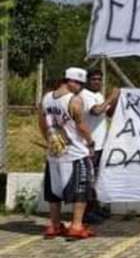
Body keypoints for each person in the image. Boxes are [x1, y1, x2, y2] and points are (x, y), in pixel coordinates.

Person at [37, 67, 96, 239]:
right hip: (75, 151)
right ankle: (76, 226)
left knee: (53, 190)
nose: (81, 88)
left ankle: (54, 224)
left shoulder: (47, 98)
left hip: (55, 152)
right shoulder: (74, 100)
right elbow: (81, 125)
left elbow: (41, 122)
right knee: (82, 188)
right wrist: (90, 142)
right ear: (71, 81)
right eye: (80, 84)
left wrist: (49, 139)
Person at [81, 69, 119, 223]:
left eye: (99, 79)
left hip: (100, 144)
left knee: (96, 179)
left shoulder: (98, 95)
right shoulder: (84, 95)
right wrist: (111, 97)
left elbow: (108, 113)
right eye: (94, 79)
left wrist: (116, 100)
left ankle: (95, 208)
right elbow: (96, 111)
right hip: (88, 145)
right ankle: (86, 213)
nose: (97, 82)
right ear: (87, 81)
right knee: (88, 179)